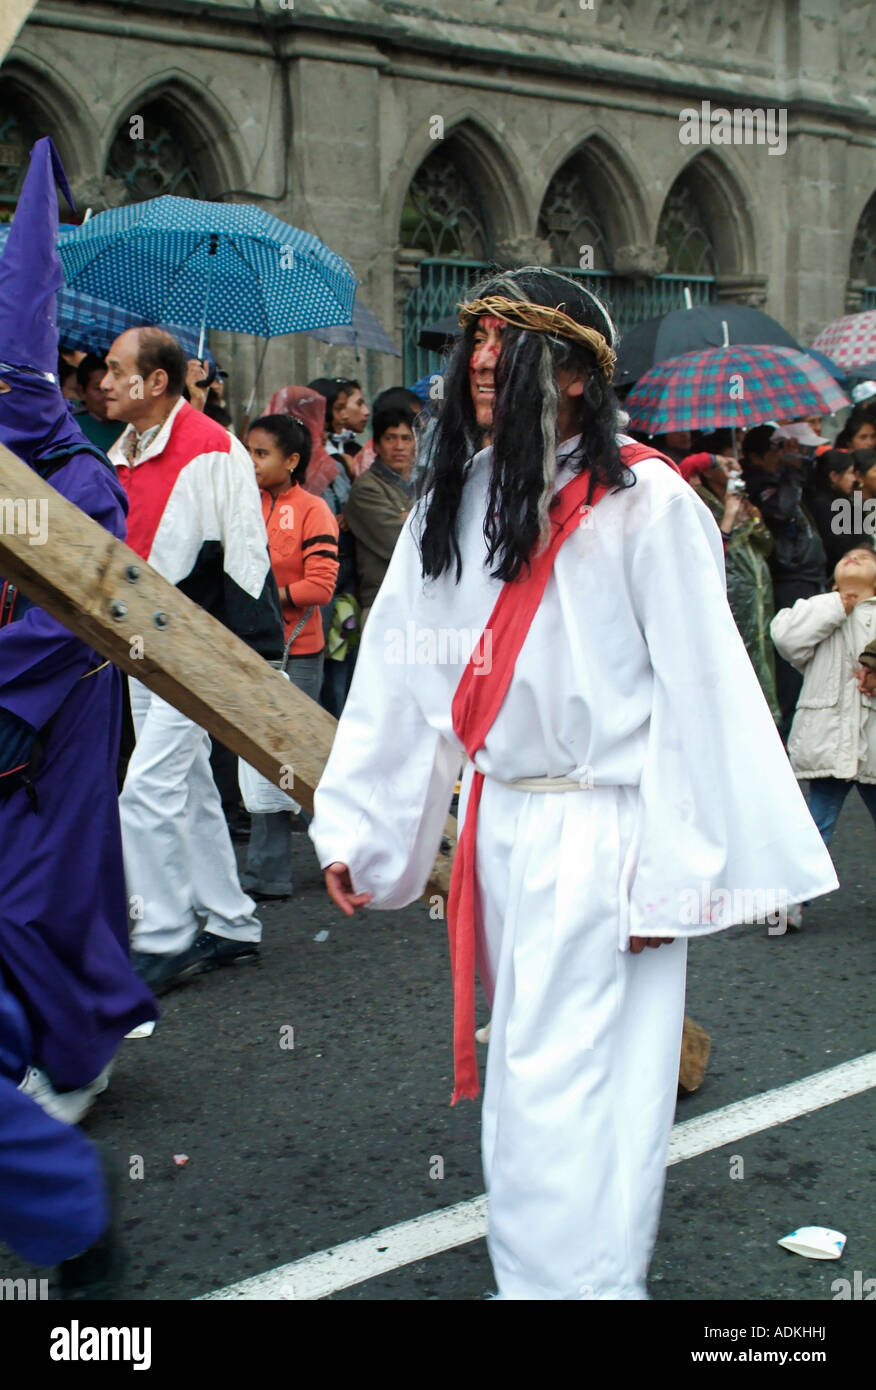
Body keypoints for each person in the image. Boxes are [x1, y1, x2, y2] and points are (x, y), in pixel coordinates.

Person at [308, 266, 837, 1301]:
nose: (486, 366)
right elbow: (401, 685)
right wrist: (361, 830)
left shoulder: (648, 507)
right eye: (478, 351)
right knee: (529, 1086)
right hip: (502, 827)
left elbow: (705, 698)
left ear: (580, 382)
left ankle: (575, 1291)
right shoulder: (447, 507)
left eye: (516, 351)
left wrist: (671, 873)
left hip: (608, 835)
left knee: (578, 1095)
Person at [0, 138, 157, 1121]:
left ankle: (83, 1045)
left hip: (58, 719)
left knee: (39, 897)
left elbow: (84, 608)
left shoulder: (81, 479)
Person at [102, 326, 284, 996]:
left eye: (118, 370)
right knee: (192, 787)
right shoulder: (123, 452)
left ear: (157, 381)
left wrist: (255, 654)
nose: (105, 380)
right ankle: (232, 921)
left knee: (146, 792)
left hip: (195, 649)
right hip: (144, 647)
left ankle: (163, 934)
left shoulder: (212, 448)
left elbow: (245, 552)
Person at [240, 414, 338, 899]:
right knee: (263, 761)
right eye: (248, 450)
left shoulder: (313, 509)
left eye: (261, 453)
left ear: (292, 461)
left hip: (296, 655)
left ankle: (350, 852)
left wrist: (258, 596)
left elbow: (320, 586)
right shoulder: (242, 504)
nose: (251, 460)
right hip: (248, 653)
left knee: (297, 760)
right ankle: (267, 874)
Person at [771, 547, 876, 875]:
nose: (854, 558)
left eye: (866, 557)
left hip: (870, 740)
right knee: (815, 824)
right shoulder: (818, 609)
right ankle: (793, 897)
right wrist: (835, 605)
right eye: (846, 556)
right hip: (828, 739)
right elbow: (786, 638)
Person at [678, 452, 780, 721]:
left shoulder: (733, 500)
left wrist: (753, 519)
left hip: (754, 599)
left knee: (761, 669)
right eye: (727, 469)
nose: (734, 474)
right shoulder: (691, 498)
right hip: (726, 598)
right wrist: (713, 459)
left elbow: (766, 545)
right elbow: (710, 554)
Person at [741, 423, 827, 740]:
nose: (781, 455)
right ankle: (789, 732)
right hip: (788, 579)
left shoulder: (782, 478)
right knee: (791, 655)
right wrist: (791, 473)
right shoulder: (757, 483)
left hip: (808, 575)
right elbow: (781, 512)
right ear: (757, 455)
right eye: (776, 449)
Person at [343, 406, 417, 625]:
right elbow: (400, 542)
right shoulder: (366, 487)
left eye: (406, 438)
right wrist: (421, 519)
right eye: (390, 438)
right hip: (383, 604)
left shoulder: (428, 481)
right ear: (376, 445)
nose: (399, 446)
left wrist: (408, 517)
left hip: (423, 603)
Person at [808, 448, 871, 574]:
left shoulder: (843, 500)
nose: (854, 479)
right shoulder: (824, 505)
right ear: (834, 476)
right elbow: (843, 544)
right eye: (850, 473)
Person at [74, 353, 124, 452]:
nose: (108, 394)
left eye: (115, 386)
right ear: (81, 391)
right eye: (99, 388)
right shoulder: (71, 429)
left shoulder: (133, 425)